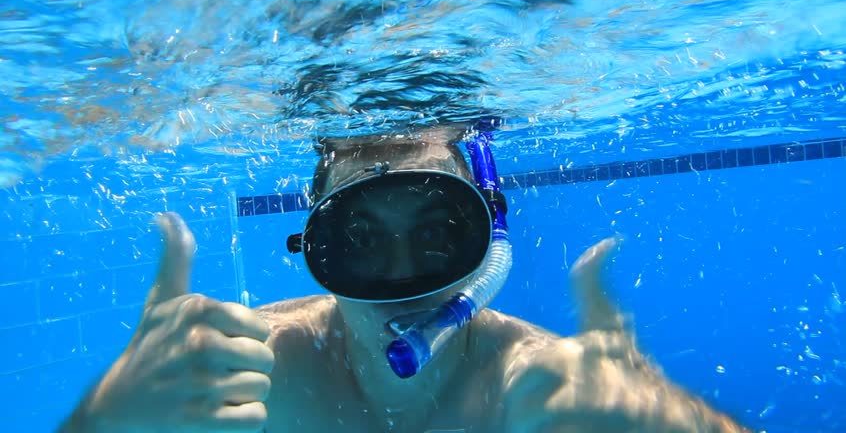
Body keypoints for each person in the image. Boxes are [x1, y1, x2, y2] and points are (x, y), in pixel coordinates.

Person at [60, 125, 752, 433]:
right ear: (318, 245)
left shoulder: (540, 390)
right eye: (359, 240)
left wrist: (683, 426)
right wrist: (103, 420)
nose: (400, 279)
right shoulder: (249, 372)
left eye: (438, 235)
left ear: (488, 244)